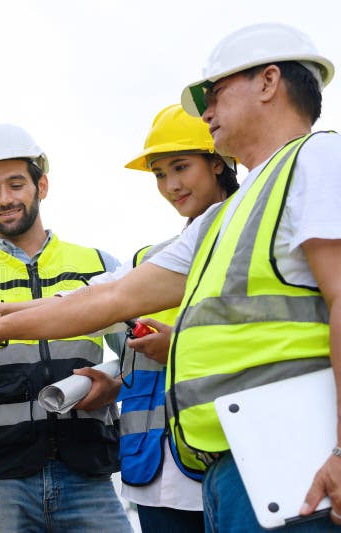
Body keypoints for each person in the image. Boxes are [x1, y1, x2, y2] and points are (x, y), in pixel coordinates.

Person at [0, 23, 341, 533]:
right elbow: (114, 296)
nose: (206, 112)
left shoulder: (317, 161)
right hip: (234, 460)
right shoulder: (227, 216)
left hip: (296, 455)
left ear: (269, 82)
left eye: (215, 93)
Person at [0, 123, 133, 532]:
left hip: (88, 471)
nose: (4, 199)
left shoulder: (99, 266)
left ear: (43, 186)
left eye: (16, 184)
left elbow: (142, 349)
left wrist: (118, 383)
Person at [117, 103, 237, 532]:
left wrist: (180, 347)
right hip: (152, 465)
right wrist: (111, 377)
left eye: (180, 167)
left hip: (224, 457)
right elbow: (93, 299)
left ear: (218, 163)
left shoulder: (245, 235)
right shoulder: (149, 257)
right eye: (159, 174)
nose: (170, 185)